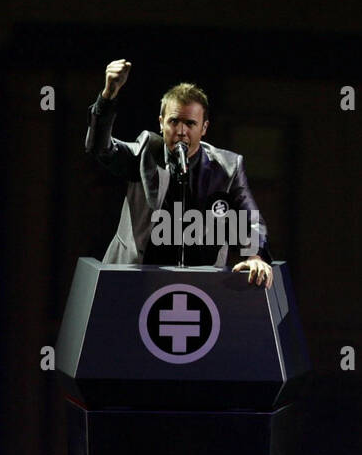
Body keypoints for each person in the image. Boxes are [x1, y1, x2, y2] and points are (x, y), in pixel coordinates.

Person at [85, 59, 272, 287]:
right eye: (174, 121)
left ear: (204, 128)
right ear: (161, 123)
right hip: (135, 278)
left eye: (190, 123)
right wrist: (108, 96)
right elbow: (99, 148)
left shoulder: (228, 167)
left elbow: (249, 218)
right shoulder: (144, 152)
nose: (181, 131)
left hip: (197, 285)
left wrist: (255, 256)